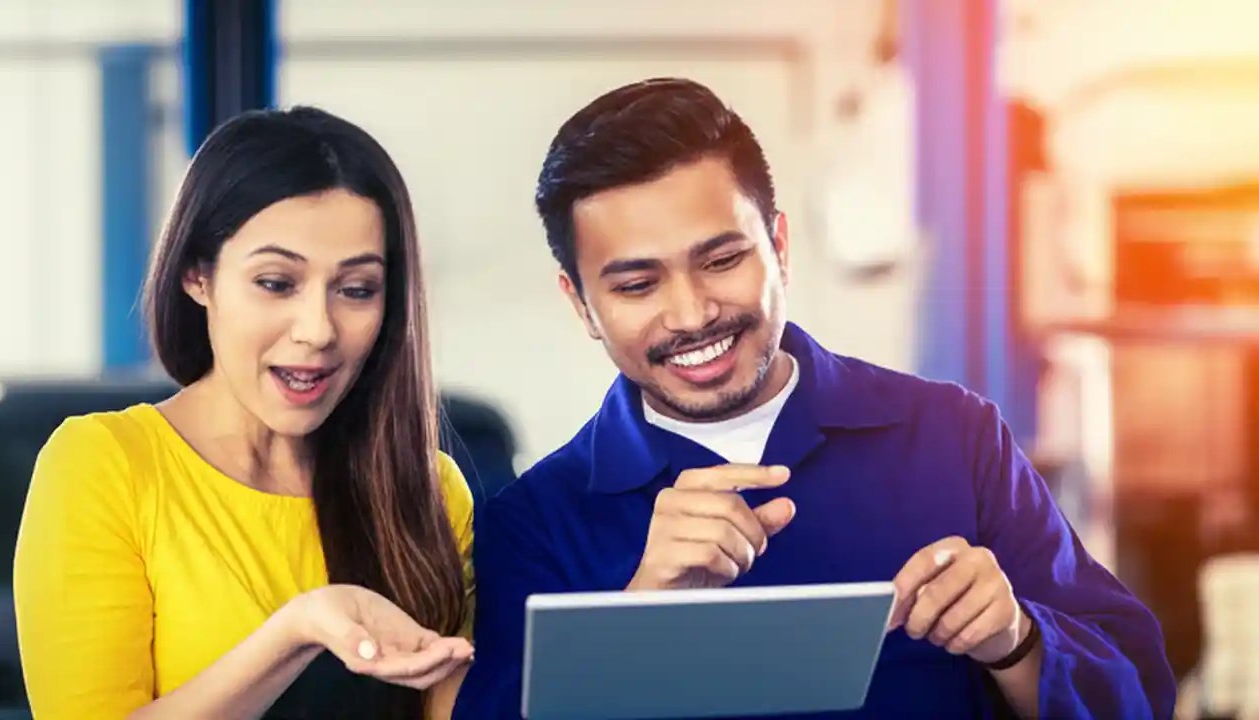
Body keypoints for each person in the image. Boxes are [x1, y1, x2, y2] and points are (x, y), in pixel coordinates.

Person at [453, 78, 1176, 718]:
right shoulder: (532, 525)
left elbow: (1141, 693)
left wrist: (1016, 641)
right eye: (637, 285)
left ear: (780, 248)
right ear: (581, 305)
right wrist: (639, 619)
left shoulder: (955, 438)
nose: (693, 313)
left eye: (723, 259)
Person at [14, 107, 475, 720]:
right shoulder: (106, 466)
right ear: (197, 275)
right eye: (277, 283)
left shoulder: (429, 489)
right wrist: (295, 633)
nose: (318, 330)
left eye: (357, 289)